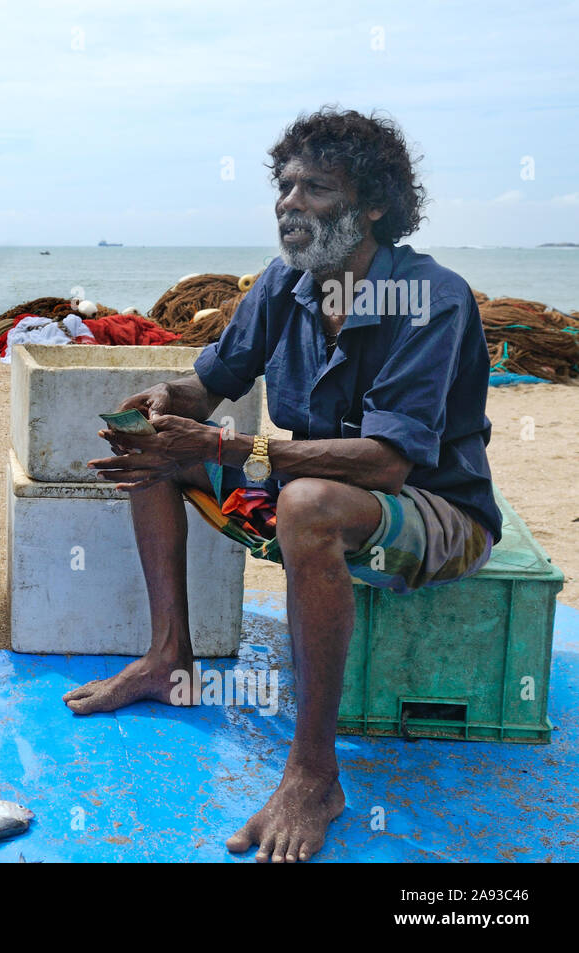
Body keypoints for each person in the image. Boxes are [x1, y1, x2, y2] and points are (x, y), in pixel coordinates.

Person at [63, 107, 501, 863]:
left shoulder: (432, 296)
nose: (289, 203)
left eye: (316, 188)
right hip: (307, 489)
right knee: (152, 447)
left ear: (373, 205)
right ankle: (171, 656)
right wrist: (169, 407)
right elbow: (205, 389)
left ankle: (313, 772)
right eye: (285, 185)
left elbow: (389, 464)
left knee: (306, 502)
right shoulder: (281, 285)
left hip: (435, 511)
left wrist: (226, 445)